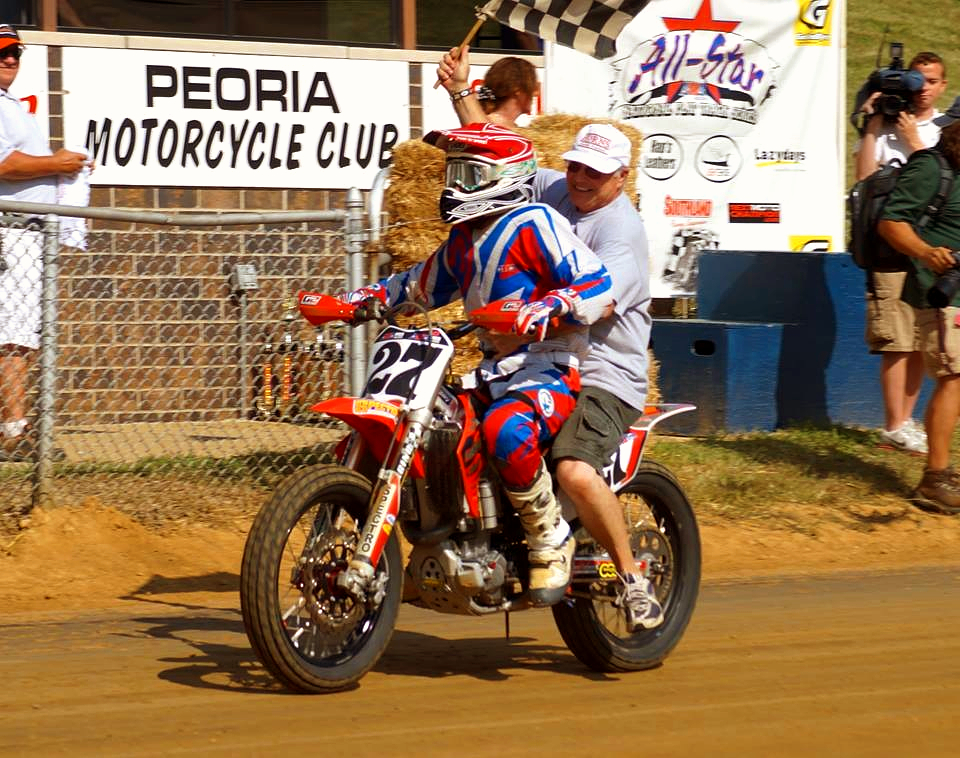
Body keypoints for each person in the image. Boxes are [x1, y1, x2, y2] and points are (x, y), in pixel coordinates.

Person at [438, 48, 663, 630]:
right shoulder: (558, 192)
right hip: (537, 360)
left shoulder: (623, 235)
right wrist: (463, 92)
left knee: (573, 470)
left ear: (622, 177)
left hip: (604, 375)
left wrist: (525, 314)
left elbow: (593, 303)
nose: (581, 179)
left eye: (595, 172)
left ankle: (633, 581)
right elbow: (493, 156)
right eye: (576, 167)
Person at [345, 122, 614, 605]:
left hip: (546, 365)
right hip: (494, 370)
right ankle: (429, 540)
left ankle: (548, 536)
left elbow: (596, 281)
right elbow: (415, 286)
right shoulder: (466, 240)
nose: (454, 186)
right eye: (453, 172)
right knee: (437, 430)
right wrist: (358, 299)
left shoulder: (536, 223)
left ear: (506, 176)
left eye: (469, 174)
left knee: (506, 430)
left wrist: (552, 305)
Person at [0, 23, 87, 461]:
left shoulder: (11, 103)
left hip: (27, 232)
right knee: (13, 336)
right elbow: (4, 164)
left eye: (15, 51)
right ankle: (14, 434)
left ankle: (16, 427)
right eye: (2, 51)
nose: (10, 58)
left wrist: (60, 172)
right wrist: (54, 162)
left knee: (24, 337)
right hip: (11, 232)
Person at [854, 51, 948, 454]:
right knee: (896, 340)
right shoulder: (886, 124)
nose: (922, 89)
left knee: (918, 339)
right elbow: (863, 179)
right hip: (889, 244)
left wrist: (914, 143)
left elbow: (937, 180)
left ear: (942, 86)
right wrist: (874, 125)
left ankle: (904, 423)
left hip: (930, 243)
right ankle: (894, 424)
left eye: (931, 81)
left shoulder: (947, 129)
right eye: (916, 80)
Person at [878, 116, 960, 514]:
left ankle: (943, 471)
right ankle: (935, 477)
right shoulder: (932, 166)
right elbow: (891, 222)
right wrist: (927, 253)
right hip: (943, 295)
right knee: (954, 377)